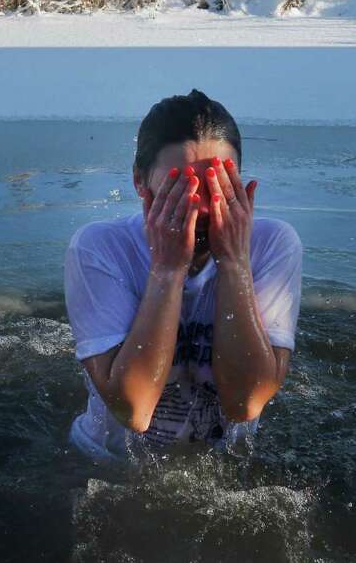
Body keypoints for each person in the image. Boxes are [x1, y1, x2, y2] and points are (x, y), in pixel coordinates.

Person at [64, 90, 302, 461]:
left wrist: (235, 263)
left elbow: (246, 403)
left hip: (227, 470)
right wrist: (167, 269)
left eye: (218, 186)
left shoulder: (273, 244)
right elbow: (134, 411)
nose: (204, 206)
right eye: (183, 187)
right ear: (140, 183)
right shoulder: (99, 248)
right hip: (105, 465)